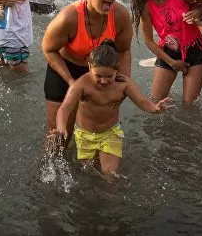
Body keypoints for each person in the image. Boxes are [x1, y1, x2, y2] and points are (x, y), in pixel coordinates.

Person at [48, 41, 171, 175]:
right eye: (98, 76)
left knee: (110, 174)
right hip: (84, 135)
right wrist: (61, 127)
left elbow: (141, 101)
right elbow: (65, 108)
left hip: (110, 133)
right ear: (90, 67)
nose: (104, 81)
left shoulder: (123, 84)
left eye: (109, 76)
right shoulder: (81, 85)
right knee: (88, 172)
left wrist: (155, 108)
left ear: (117, 69)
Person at [41, 0, 132, 141]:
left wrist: (122, 83)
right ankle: (51, 166)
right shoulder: (69, 17)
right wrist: (71, 82)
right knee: (59, 136)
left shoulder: (120, 15)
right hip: (65, 70)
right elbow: (48, 49)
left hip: (99, 73)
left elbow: (123, 50)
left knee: (97, 133)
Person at [131, 0, 202, 104]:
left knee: (189, 105)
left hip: (194, 49)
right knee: (156, 103)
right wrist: (172, 62)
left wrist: (197, 13)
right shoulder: (145, 6)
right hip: (168, 52)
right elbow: (148, 41)